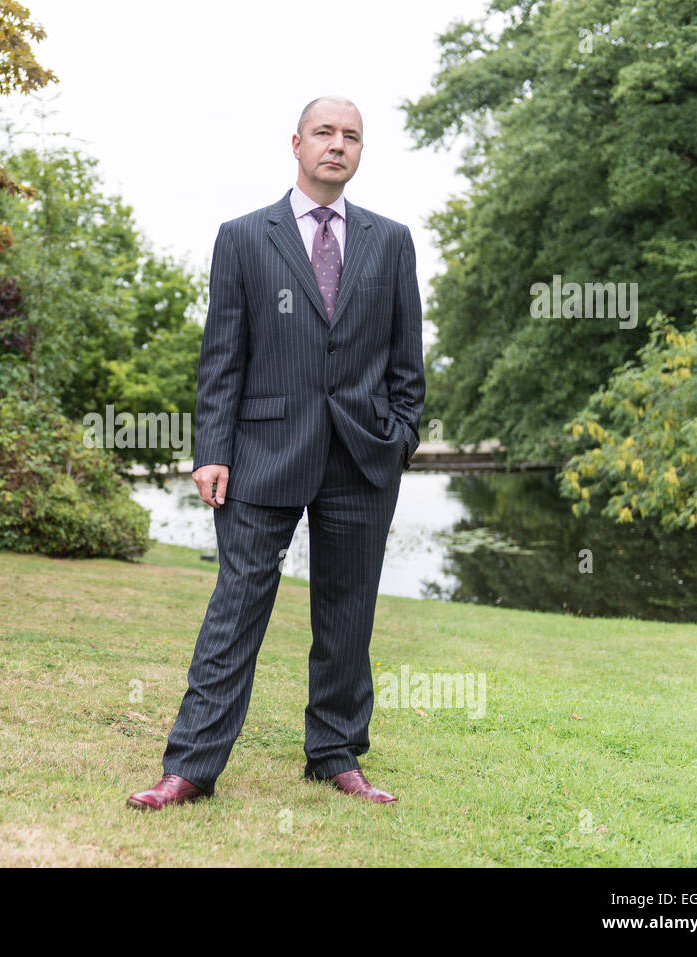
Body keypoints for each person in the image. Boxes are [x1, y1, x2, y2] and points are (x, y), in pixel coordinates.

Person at [127, 95, 425, 810]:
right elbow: (221, 355)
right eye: (325, 132)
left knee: (347, 615)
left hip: (362, 458)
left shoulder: (390, 240)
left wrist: (401, 436)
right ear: (296, 143)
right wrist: (212, 449)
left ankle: (335, 752)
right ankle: (191, 765)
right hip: (261, 452)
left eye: (352, 136)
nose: (338, 145)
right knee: (235, 608)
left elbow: (406, 361)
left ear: (360, 152)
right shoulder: (243, 237)